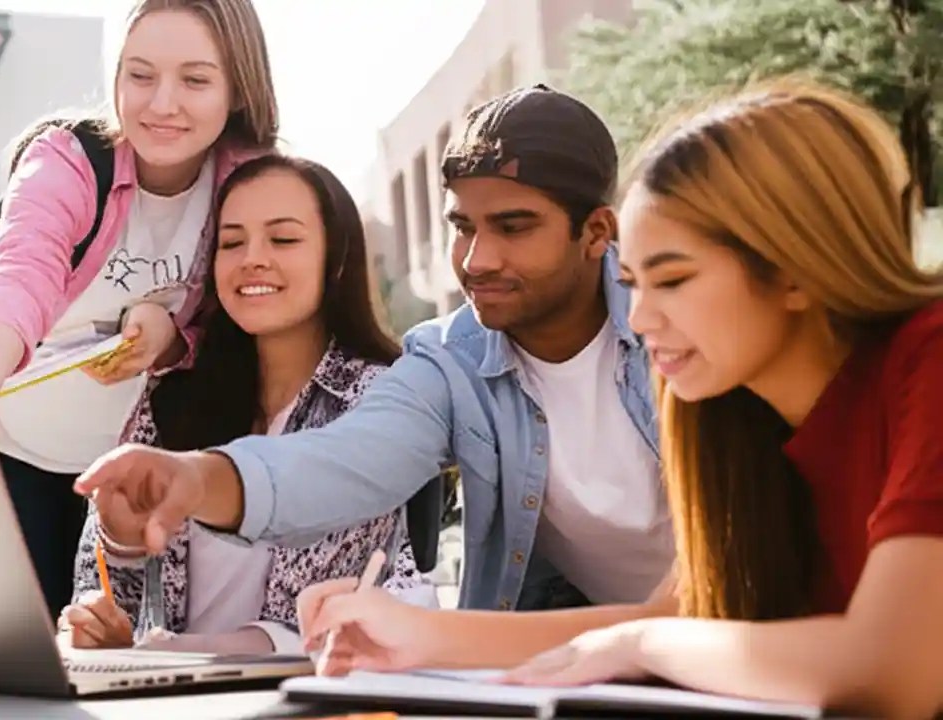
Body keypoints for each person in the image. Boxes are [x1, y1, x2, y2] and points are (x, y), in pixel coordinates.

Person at [74, 84, 678, 668]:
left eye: (513, 227)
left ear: (597, 233)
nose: (476, 259)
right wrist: (192, 477)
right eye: (463, 226)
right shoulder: (450, 361)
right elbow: (342, 462)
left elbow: (728, 578)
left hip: (730, 632)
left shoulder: (672, 330)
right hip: (603, 664)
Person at [489, 82, 943, 719]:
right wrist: (406, 636)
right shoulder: (737, 420)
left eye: (672, 279)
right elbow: (667, 621)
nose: (640, 318)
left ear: (792, 267)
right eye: (631, 284)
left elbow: (892, 675)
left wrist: (643, 644)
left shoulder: (931, 358)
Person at [0, 0, 280, 622]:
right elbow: (21, 265)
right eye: (140, 74)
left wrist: (173, 339)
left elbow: (254, 317)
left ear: (238, 88)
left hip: (139, 474)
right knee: (9, 654)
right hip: (11, 453)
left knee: (121, 656)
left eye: (196, 79)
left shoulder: (254, 180)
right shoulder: (69, 159)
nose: (162, 104)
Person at [60, 155, 436, 655]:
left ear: (337, 258)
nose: (252, 258)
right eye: (232, 242)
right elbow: (108, 602)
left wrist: (167, 653)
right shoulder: (170, 396)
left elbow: (320, 624)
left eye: (283, 239)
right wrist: (115, 577)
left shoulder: (378, 401)